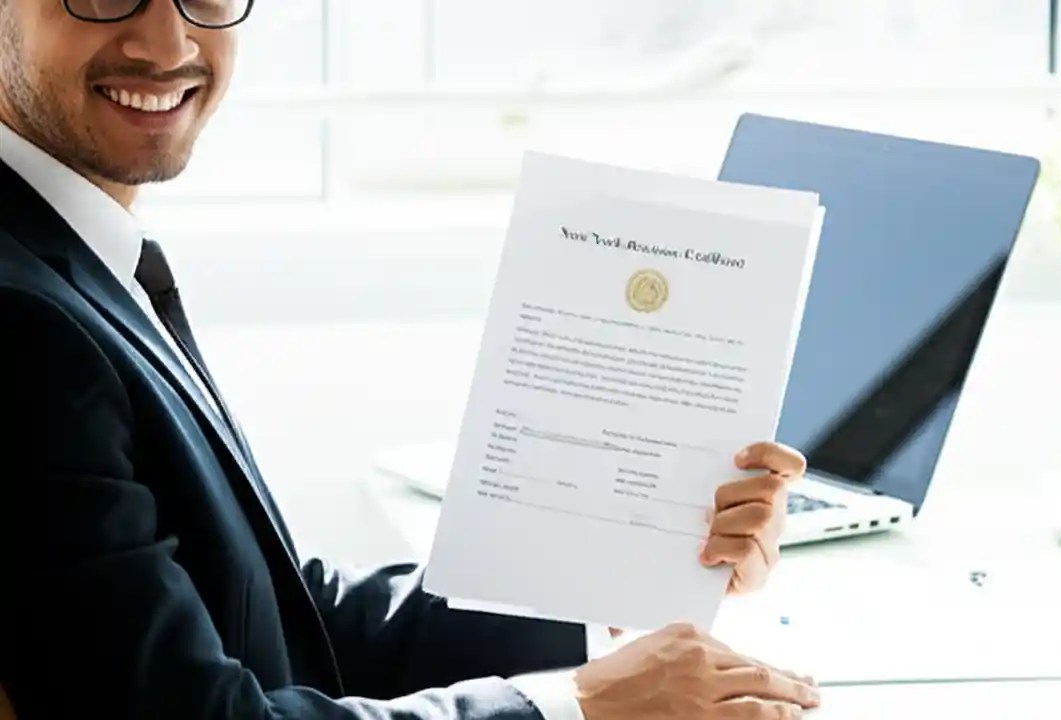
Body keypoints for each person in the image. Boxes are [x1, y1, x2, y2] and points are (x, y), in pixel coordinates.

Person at [0, 1, 822, 718]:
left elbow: (278, 618)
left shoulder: (78, 260)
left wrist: (634, 566)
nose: (167, 42)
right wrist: (579, 706)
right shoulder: (23, 323)